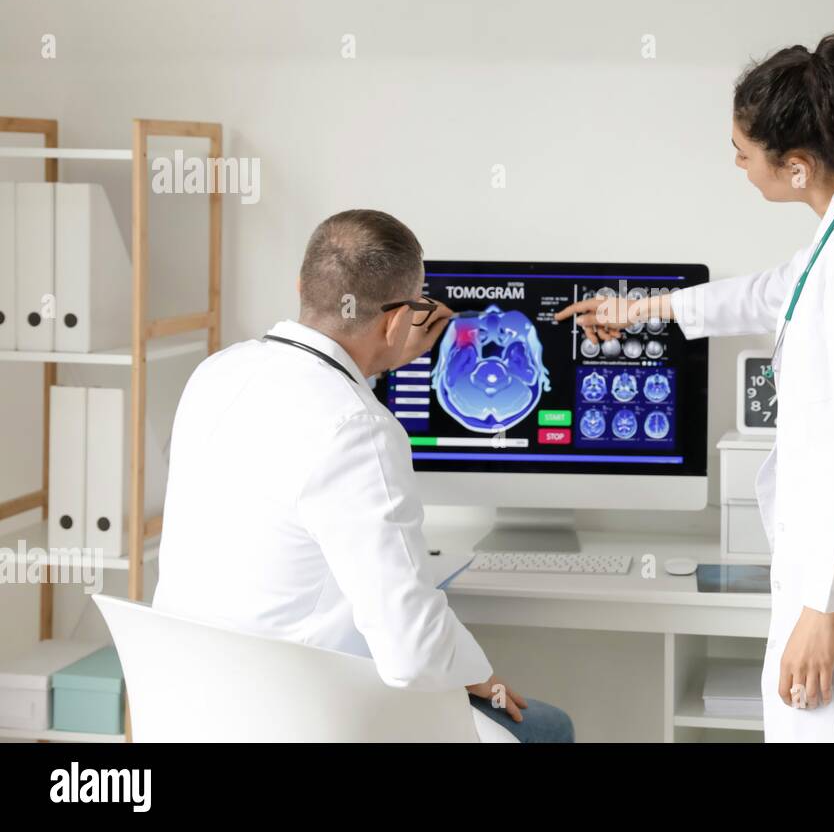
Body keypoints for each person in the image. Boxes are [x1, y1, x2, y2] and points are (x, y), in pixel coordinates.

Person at [557, 33, 834, 742]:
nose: (738, 164)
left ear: (797, 166)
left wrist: (822, 608)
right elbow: (767, 294)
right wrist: (637, 310)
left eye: (744, 151)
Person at [153, 209, 574, 743]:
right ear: (397, 320)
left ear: (303, 286)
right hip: (301, 719)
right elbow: (413, 654)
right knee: (546, 729)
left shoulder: (216, 371)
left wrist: (383, 352)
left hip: (197, 710)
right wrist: (480, 676)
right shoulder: (360, 428)